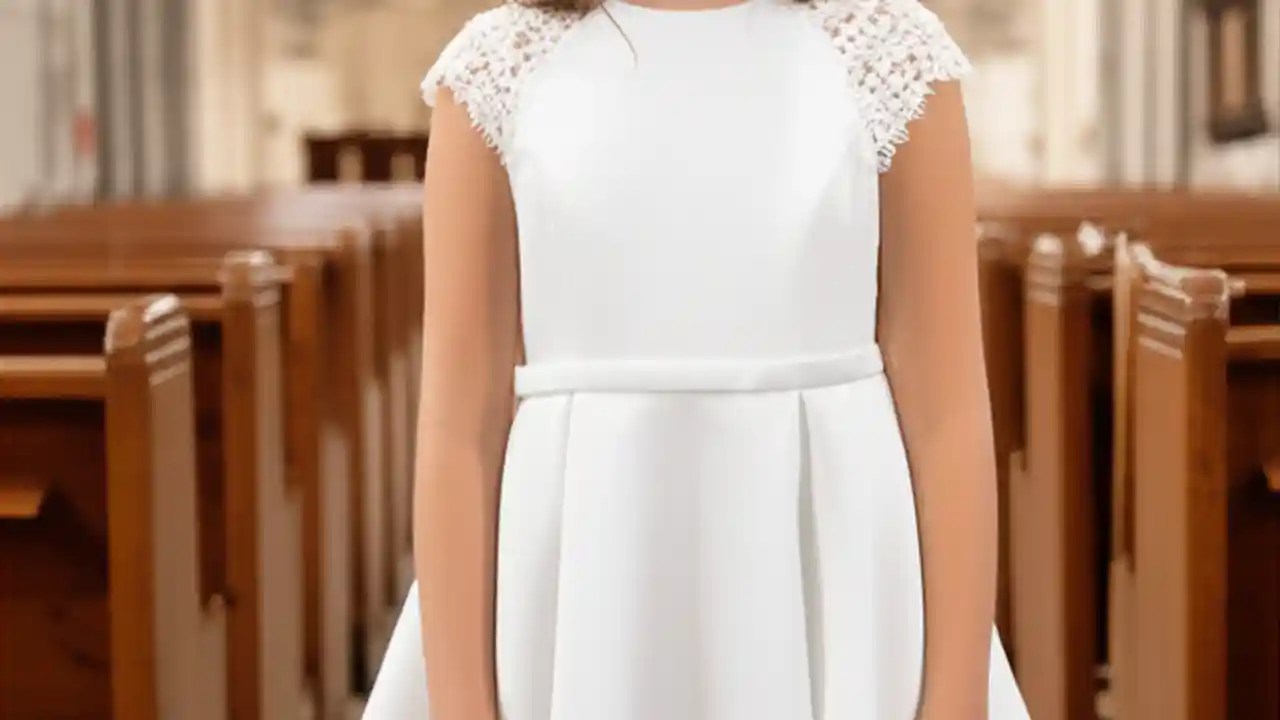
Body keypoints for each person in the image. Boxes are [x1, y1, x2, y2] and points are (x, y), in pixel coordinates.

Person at [366, 0, 1029, 716]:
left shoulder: (890, 55)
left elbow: (949, 416)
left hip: (836, 592)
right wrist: (461, 704)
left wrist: (956, 701)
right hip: (580, 599)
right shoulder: (497, 68)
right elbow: (458, 433)